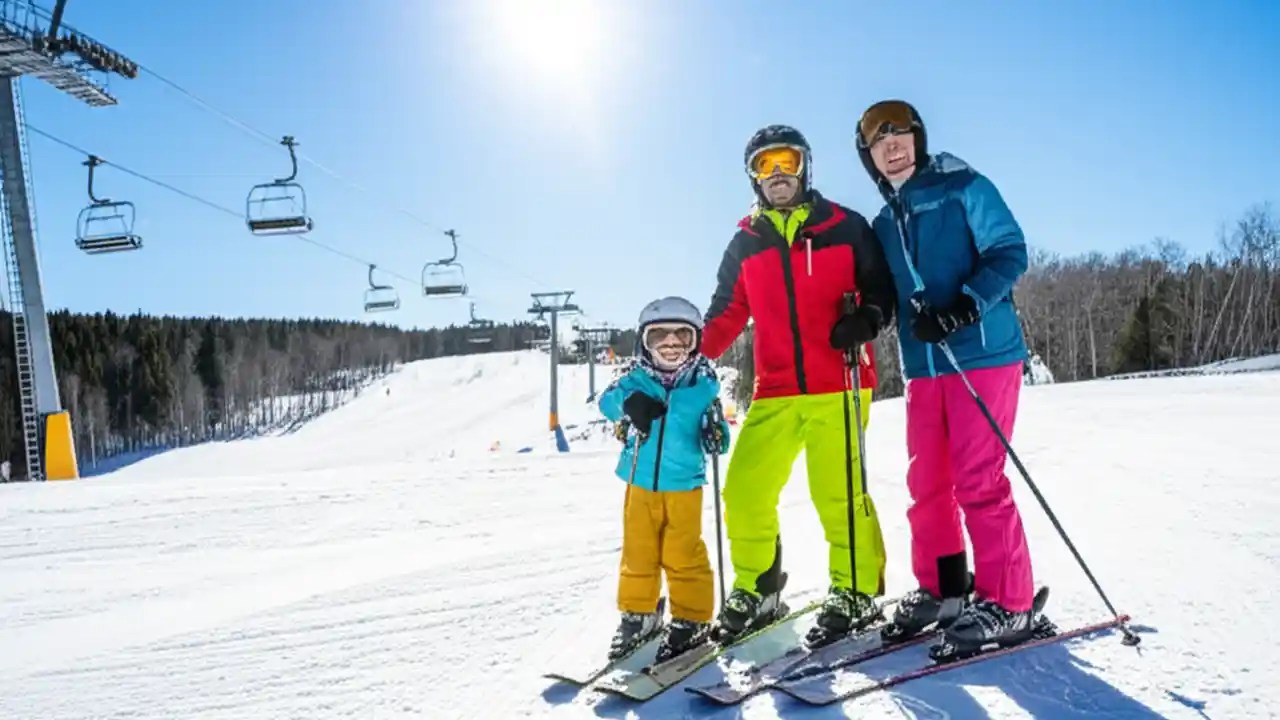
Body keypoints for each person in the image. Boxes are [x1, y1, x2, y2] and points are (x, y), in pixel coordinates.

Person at [700, 124, 897, 646]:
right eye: (766, 164)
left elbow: (881, 287)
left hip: (841, 379)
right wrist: (687, 361)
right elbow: (725, 313)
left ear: (805, 165)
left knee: (836, 492)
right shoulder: (745, 242)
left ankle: (854, 589)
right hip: (776, 389)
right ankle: (757, 588)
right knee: (744, 489)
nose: (778, 173)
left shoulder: (845, 226)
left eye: (786, 160)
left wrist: (870, 318)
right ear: (753, 177)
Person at [854, 99, 1038, 653]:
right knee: (926, 483)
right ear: (869, 157)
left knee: (978, 479)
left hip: (982, 354)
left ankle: (1010, 603)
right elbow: (886, 291)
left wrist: (966, 304)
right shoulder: (885, 221)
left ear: (918, 139)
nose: (891, 147)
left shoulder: (962, 185)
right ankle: (945, 588)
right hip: (923, 366)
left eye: (900, 135)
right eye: (878, 143)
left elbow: (1010, 251)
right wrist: (867, 315)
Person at [598, 296, 731, 663]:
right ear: (645, 342)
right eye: (660, 338)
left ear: (695, 343)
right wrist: (630, 404)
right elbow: (607, 403)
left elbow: (719, 431)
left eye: (682, 338)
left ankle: (691, 617)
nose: (671, 346)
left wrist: (716, 434)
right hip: (639, 480)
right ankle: (639, 614)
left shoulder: (703, 387)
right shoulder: (635, 380)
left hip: (684, 484)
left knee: (682, 552)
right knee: (639, 551)